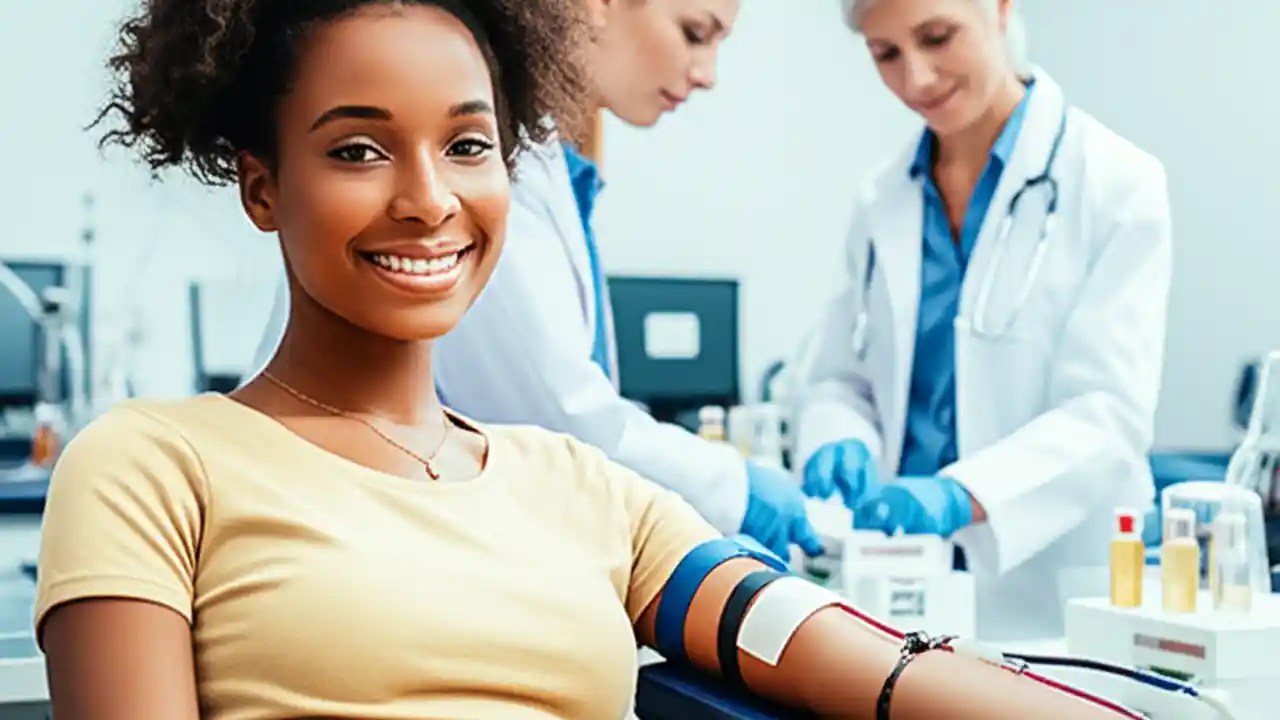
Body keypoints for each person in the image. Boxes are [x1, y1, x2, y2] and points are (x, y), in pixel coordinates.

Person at [34, 2, 1138, 718]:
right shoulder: (150, 465)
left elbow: (835, 651)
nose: (428, 200)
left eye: (468, 144)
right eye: (359, 149)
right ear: (261, 183)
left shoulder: (586, 490)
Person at [247, 0, 825, 562]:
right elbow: (560, 420)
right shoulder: (498, 184)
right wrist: (735, 491)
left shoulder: (540, 169)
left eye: (470, 146)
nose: (427, 201)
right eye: (695, 32)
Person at [791, 0, 1172, 641]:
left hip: (1049, 588)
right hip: (902, 576)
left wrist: (960, 495)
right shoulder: (883, 196)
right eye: (886, 55)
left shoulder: (1117, 183)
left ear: (998, 10)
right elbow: (838, 376)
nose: (916, 78)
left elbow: (1107, 414)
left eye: (937, 38)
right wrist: (838, 433)